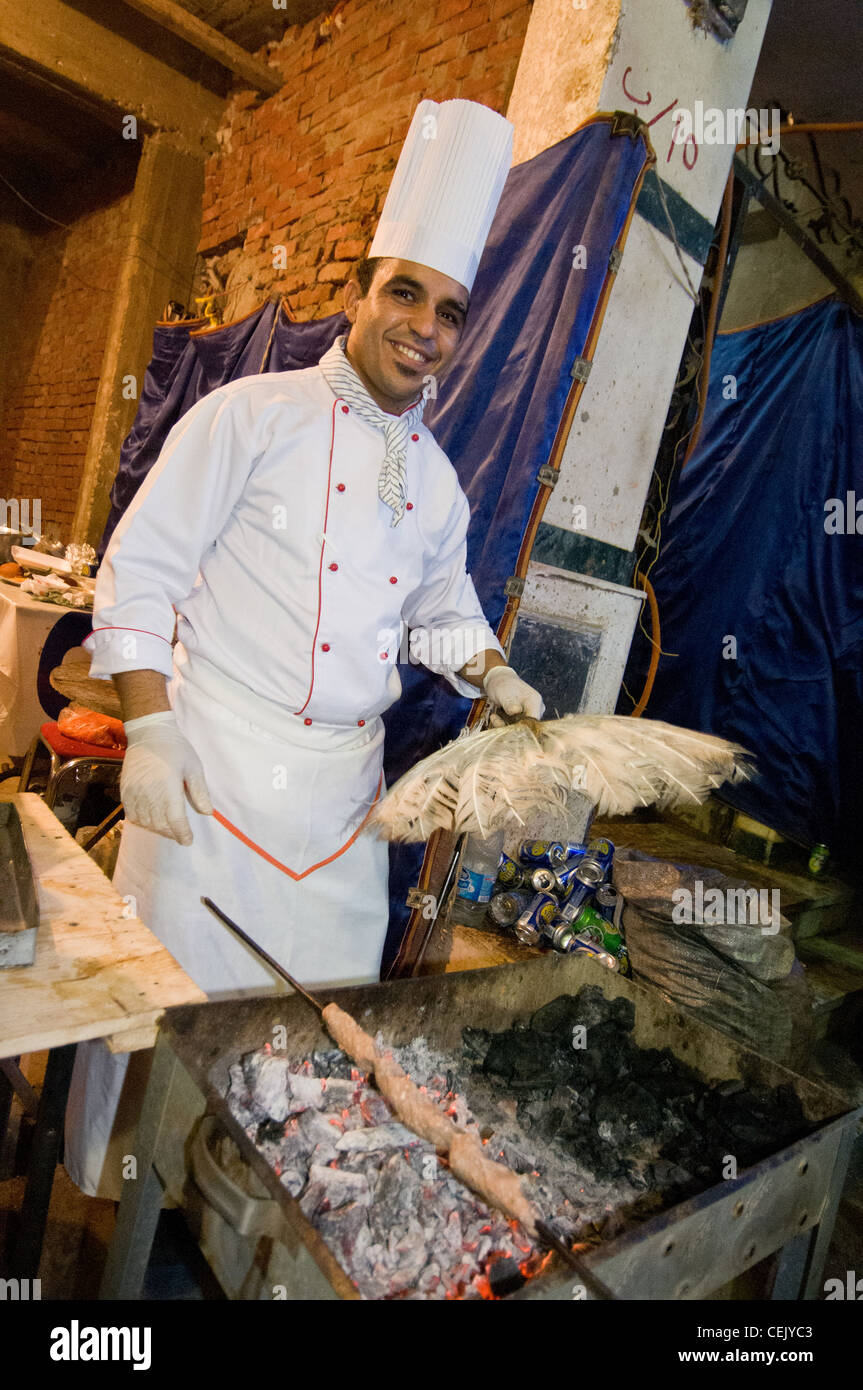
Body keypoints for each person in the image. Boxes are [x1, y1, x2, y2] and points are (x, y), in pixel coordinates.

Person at [64, 98, 544, 1198]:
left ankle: (254, 1216)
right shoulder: (247, 415)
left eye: (450, 310)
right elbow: (139, 573)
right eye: (404, 292)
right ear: (356, 294)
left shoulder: (434, 481)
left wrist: (494, 669)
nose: (424, 324)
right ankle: (131, 1217)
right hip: (209, 781)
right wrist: (145, 728)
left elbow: (435, 606)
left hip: (338, 810)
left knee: (306, 1040)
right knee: (168, 1029)